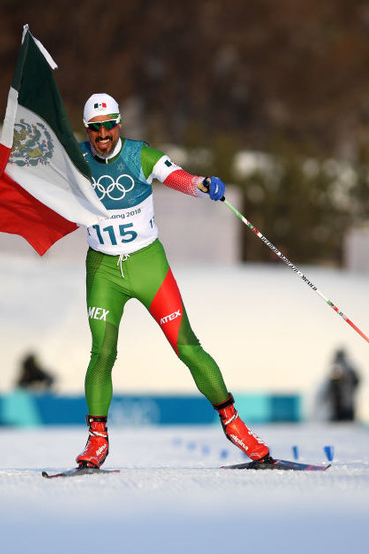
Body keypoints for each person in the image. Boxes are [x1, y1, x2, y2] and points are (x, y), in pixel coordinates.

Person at [73, 93, 271, 469]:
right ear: (87, 130)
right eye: (95, 128)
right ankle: (97, 439)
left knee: (188, 348)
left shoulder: (139, 155)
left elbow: (175, 176)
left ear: (118, 124)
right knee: (102, 354)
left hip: (148, 265)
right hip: (103, 270)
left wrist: (201, 184)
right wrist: (2, 209)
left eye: (109, 125)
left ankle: (235, 425)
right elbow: (37, 188)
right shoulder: (75, 159)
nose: (103, 134)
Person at [323, 348, 360, 422]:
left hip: (341, 404)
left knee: (343, 423)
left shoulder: (341, 368)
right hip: (342, 404)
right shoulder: (349, 368)